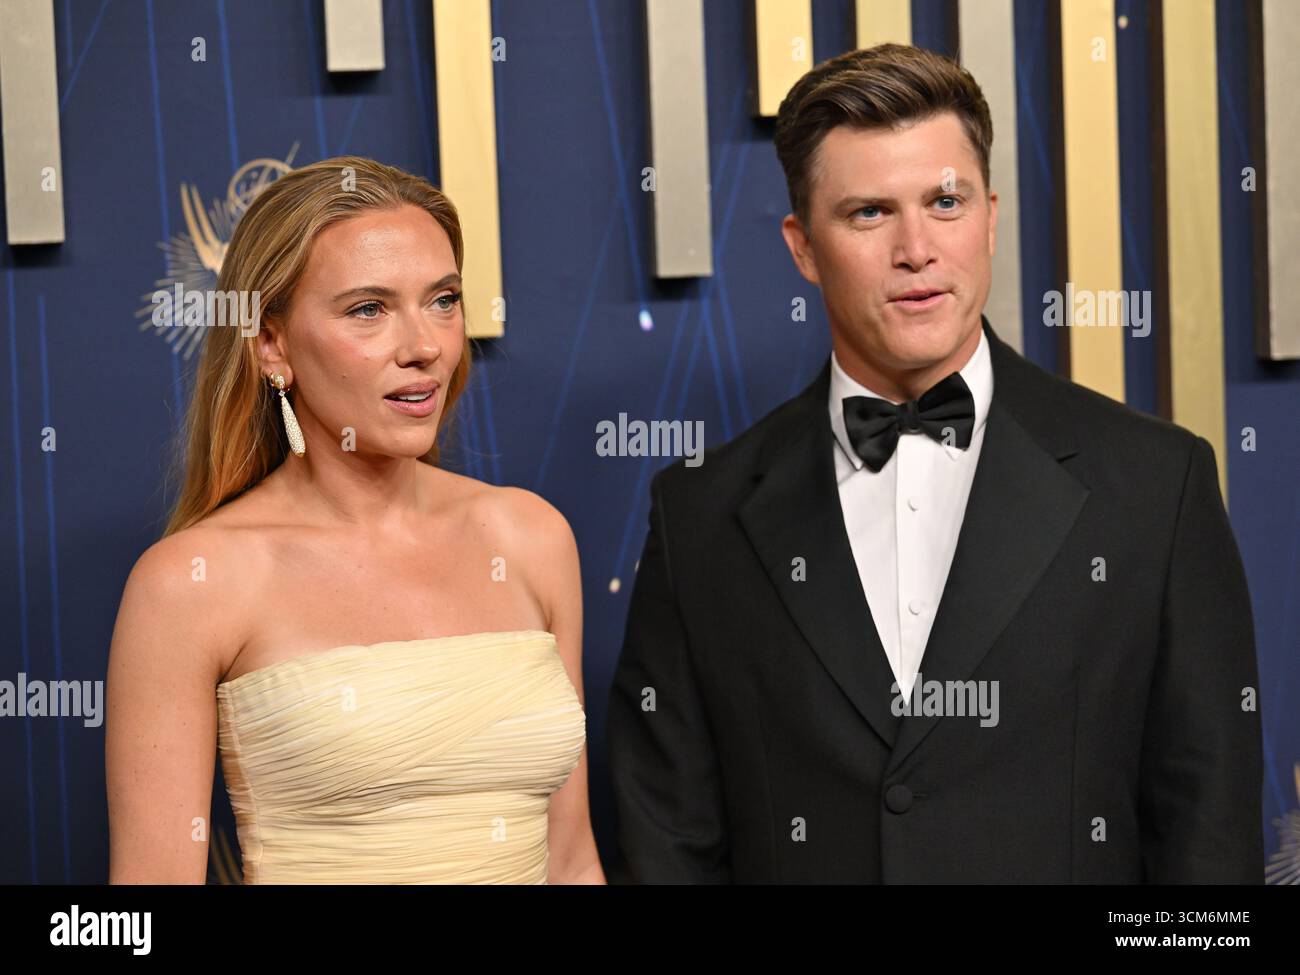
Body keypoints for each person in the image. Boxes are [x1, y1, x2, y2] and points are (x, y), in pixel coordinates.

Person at [607, 44, 1263, 883]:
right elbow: (668, 845)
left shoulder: (1156, 484)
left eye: (944, 202)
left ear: (989, 216)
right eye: (870, 213)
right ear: (803, 247)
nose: (916, 248)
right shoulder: (698, 513)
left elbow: (1208, 838)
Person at [106, 157, 604, 884]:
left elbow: (571, 858)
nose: (424, 346)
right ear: (271, 344)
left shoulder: (530, 538)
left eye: (442, 299)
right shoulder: (193, 582)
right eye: (368, 309)